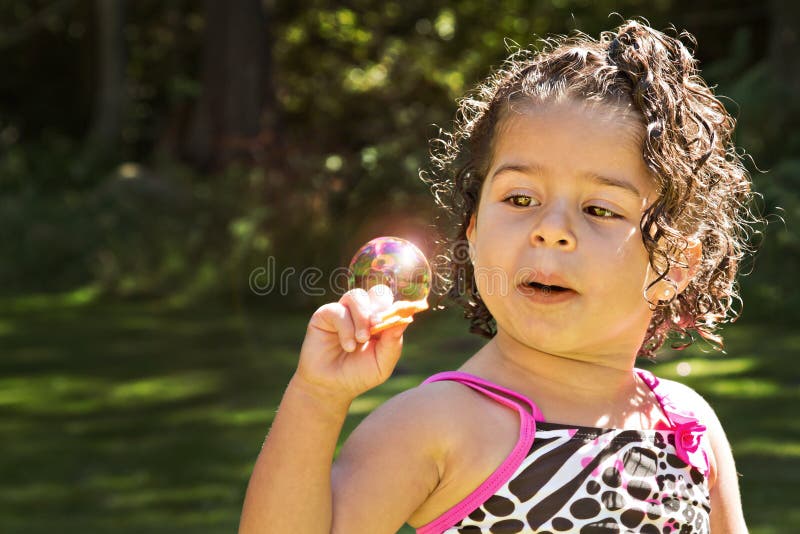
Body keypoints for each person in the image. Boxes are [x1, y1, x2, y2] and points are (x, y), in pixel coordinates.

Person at [239, 19, 758, 533]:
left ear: (675, 265)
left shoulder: (686, 424)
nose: (551, 230)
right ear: (473, 230)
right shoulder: (437, 423)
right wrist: (317, 398)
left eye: (599, 209)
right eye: (520, 199)